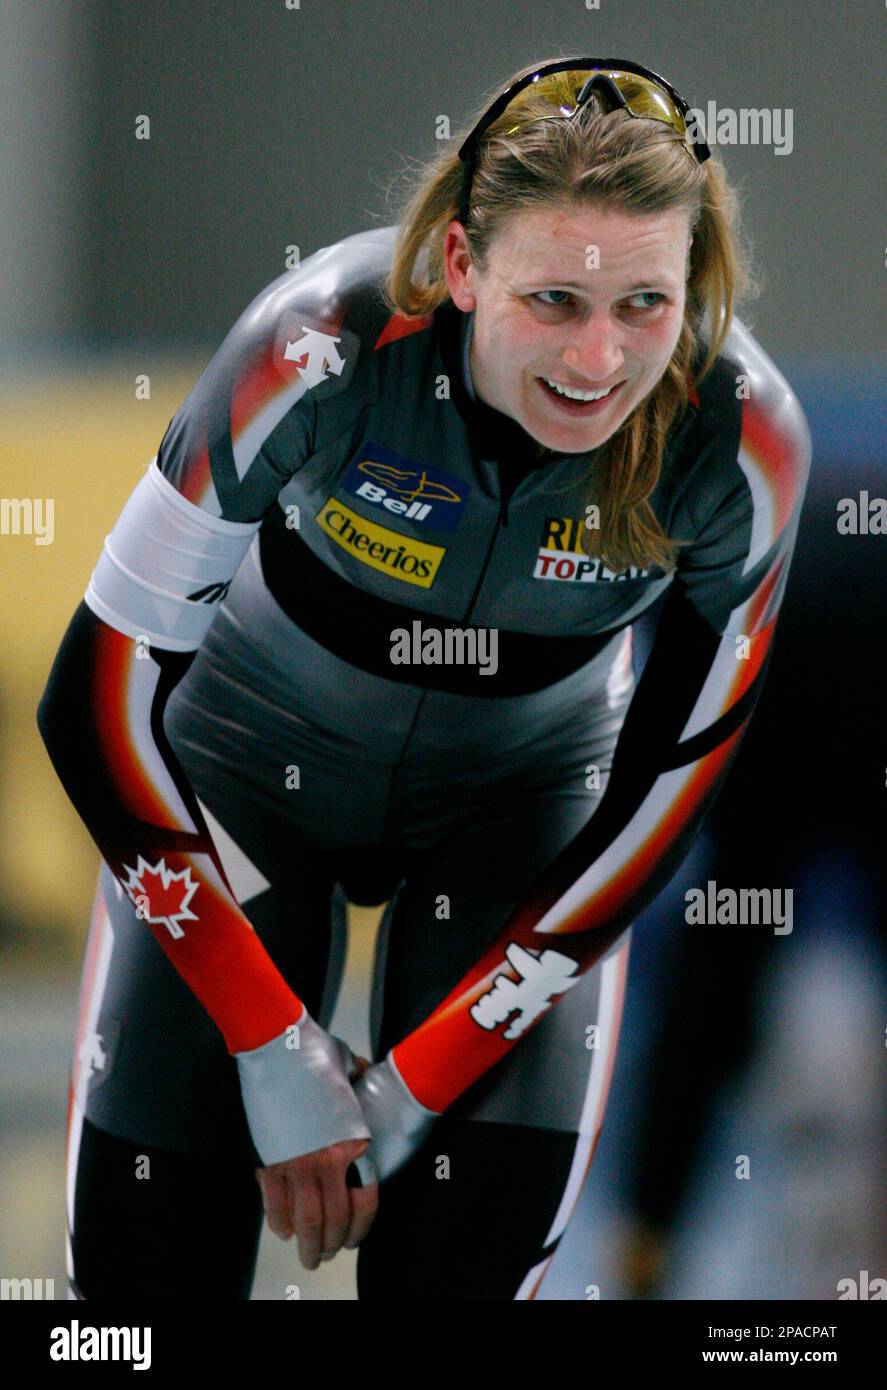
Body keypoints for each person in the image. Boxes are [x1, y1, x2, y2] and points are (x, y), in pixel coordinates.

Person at [36, 55, 811, 1301]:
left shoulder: (741, 436)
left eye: (645, 307)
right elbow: (90, 701)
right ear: (459, 267)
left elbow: (663, 797)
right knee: (134, 1313)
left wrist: (414, 1086)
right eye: (551, 299)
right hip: (243, 777)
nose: (599, 360)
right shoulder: (318, 344)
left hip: (517, 819)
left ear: (694, 295)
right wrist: (262, 1035)